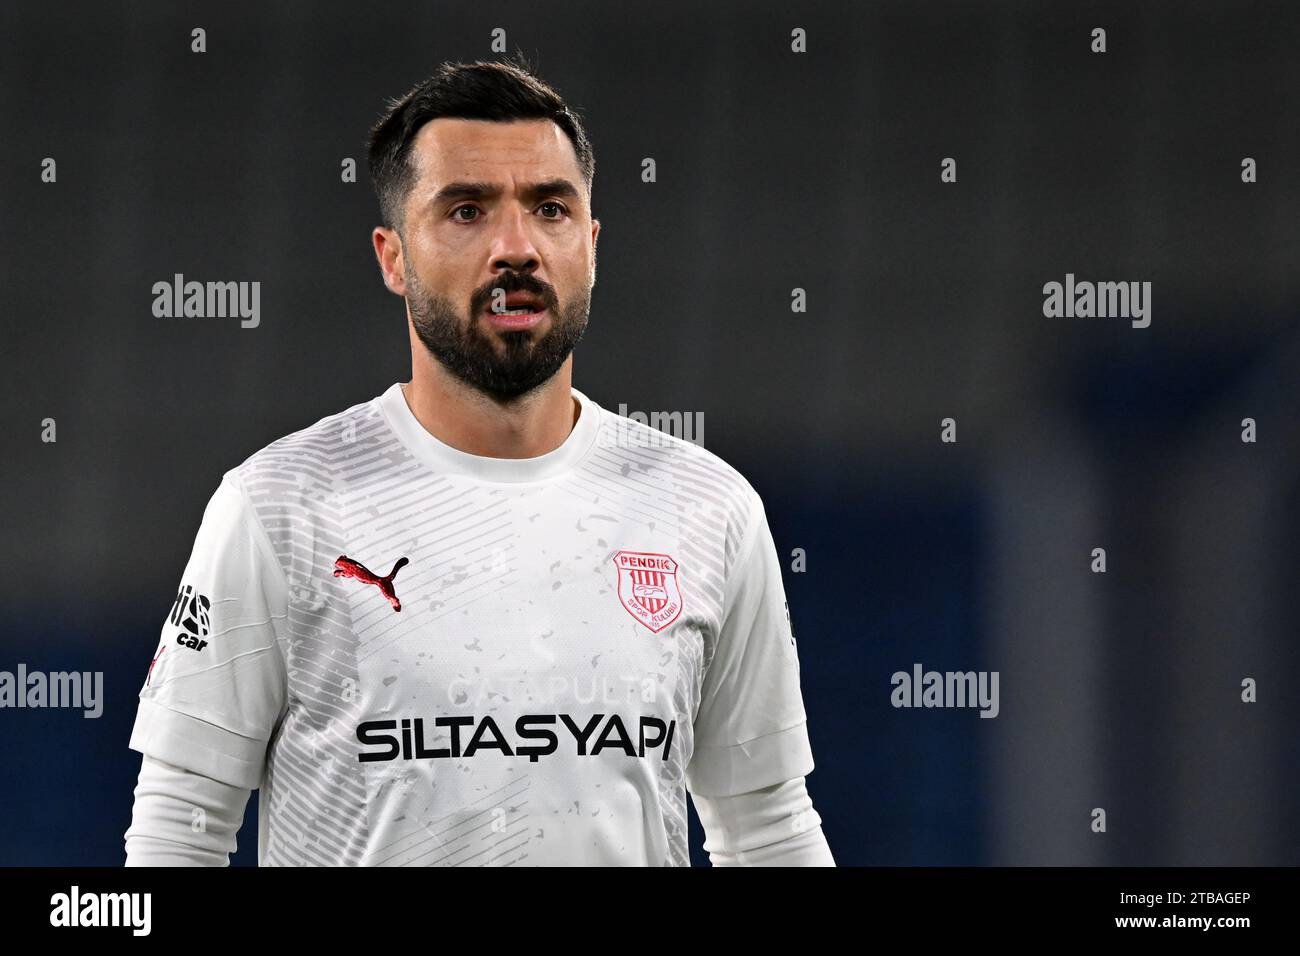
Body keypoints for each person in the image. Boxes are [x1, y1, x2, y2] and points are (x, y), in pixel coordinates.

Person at [123, 55, 833, 867]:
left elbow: (768, 828)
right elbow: (180, 830)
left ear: (591, 245)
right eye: (466, 211)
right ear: (393, 257)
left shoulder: (709, 509)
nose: (516, 247)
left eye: (550, 209)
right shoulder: (280, 506)